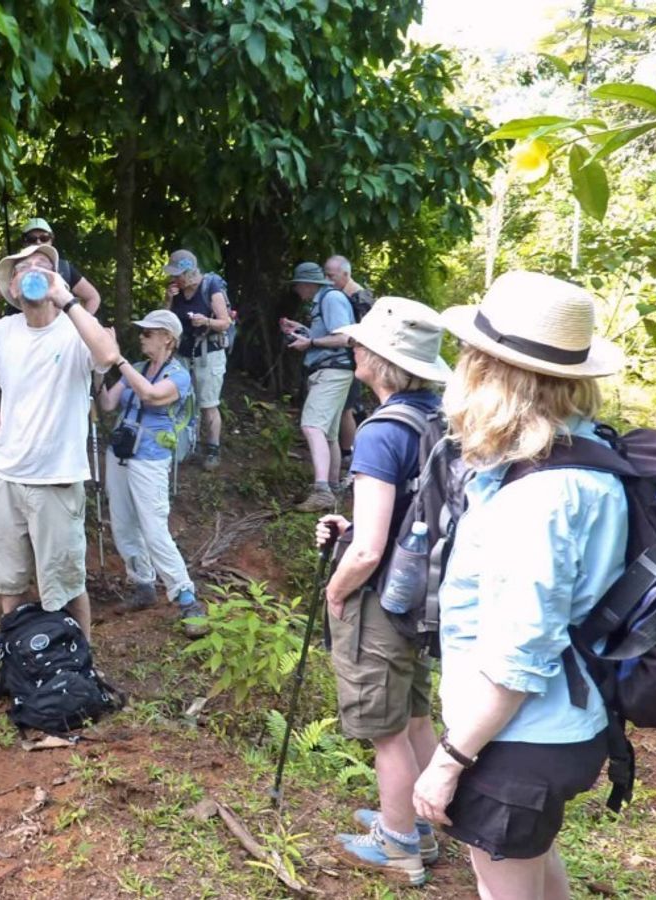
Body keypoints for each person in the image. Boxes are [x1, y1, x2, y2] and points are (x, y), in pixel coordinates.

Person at [412, 271, 627, 900]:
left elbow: (517, 656)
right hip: (565, 722)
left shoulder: (539, 496)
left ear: (489, 377)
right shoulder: (581, 458)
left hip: (515, 741)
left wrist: (449, 761)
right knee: (535, 871)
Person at [313, 297, 452, 886]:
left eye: (360, 344)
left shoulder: (379, 432)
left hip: (382, 598)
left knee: (384, 728)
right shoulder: (439, 417)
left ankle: (397, 845)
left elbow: (368, 550)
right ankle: (419, 823)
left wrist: (337, 590)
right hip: (424, 595)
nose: (354, 350)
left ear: (379, 358)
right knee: (415, 710)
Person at [0, 243, 118, 645]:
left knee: (67, 585)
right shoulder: (3, 332)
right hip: (6, 476)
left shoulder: (76, 330)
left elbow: (108, 355)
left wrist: (68, 300)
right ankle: (18, 662)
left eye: (43, 266)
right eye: (22, 269)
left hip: (57, 478)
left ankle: (82, 665)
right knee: (10, 582)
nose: (34, 271)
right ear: (13, 290)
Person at [97, 309, 207, 637]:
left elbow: (151, 395)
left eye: (148, 332)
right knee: (123, 523)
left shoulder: (179, 375)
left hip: (150, 458)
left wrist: (117, 361)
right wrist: (99, 367)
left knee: (154, 528)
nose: (142, 337)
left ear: (167, 338)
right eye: (142, 332)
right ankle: (143, 585)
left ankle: (186, 597)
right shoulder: (140, 367)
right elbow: (106, 403)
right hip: (120, 453)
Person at [280, 261, 355, 512]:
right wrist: (301, 331)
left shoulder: (331, 299)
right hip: (334, 370)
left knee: (311, 426)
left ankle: (322, 490)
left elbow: (345, 338)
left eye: (298, 285)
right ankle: (331, 488)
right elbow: (327, 335)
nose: (297, 291)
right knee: (329, 433)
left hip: (332, 370)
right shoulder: (323, 301)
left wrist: (310, 343)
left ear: (307, 284)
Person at [163, 249, 231, 470]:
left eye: (178, 275)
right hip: (183, 353)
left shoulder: (211, 287)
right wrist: (168, 300)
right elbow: (166, 321)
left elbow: (225, 322)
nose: (175, 279)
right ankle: (186, 446)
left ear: (190, 273)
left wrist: (206, 322)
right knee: (182, 400)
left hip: (208, 353)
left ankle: (212, 449)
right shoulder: (177, 293)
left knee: (208, 403)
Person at [0, 218, 100, 323]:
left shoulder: (64, 268)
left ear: (51, 240)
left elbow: (93, 297)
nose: (38, 242)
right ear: (24, 242)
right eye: (31, 238)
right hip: (19, 337)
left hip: (55, 337)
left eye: (44, 237)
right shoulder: (15, 268)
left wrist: (78, 326)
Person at [324, 255, 374, 461]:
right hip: (349, 360)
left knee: (347, 408)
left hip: (354, 360)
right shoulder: (341, 294)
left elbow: (363, 334)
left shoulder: (359, 298)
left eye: (331, 276)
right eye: (325, 275)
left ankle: (348, 454)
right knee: (349, 408)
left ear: (346, 274)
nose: (327, 280)